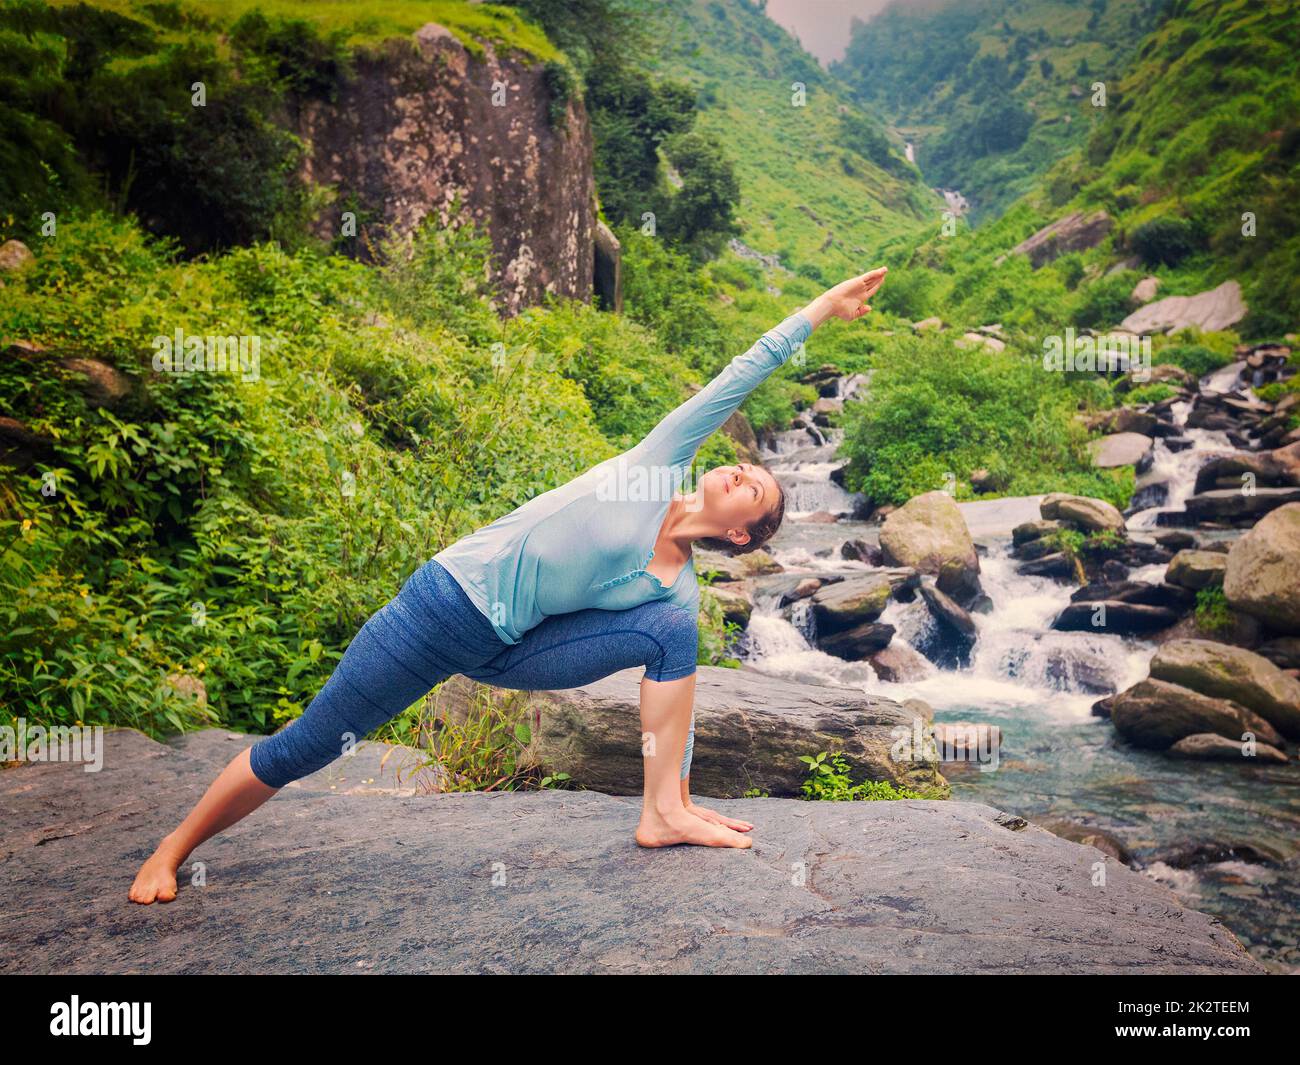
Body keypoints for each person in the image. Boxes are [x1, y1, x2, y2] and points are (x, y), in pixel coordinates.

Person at [128, 267, 888, 903]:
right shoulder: (659, 463)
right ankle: (173, 847)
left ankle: (665, 811)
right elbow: (743, 371)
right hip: (439, 607)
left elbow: (676, 702)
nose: (739, 471)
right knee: (306, 746)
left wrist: (682, 782)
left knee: (673, 633)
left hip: (511, 652)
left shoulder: (675, 590)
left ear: (741, 535)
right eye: (743, 466)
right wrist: (820, 309)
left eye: (753, 487)